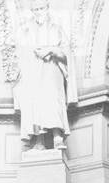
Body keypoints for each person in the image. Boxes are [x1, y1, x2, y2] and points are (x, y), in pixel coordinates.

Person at [16, 0, 75, 150]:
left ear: (47, 8)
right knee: (34, 105)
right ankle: (39, 141)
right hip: (33, 73)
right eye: (35, 9)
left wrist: (50, 50)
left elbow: (66, 53)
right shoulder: (26, 30)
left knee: (53, 100)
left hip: (51, 72)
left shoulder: (56, 29)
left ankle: (57, 136)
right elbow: (21, 54)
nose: (39, 12)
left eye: (41, 8)